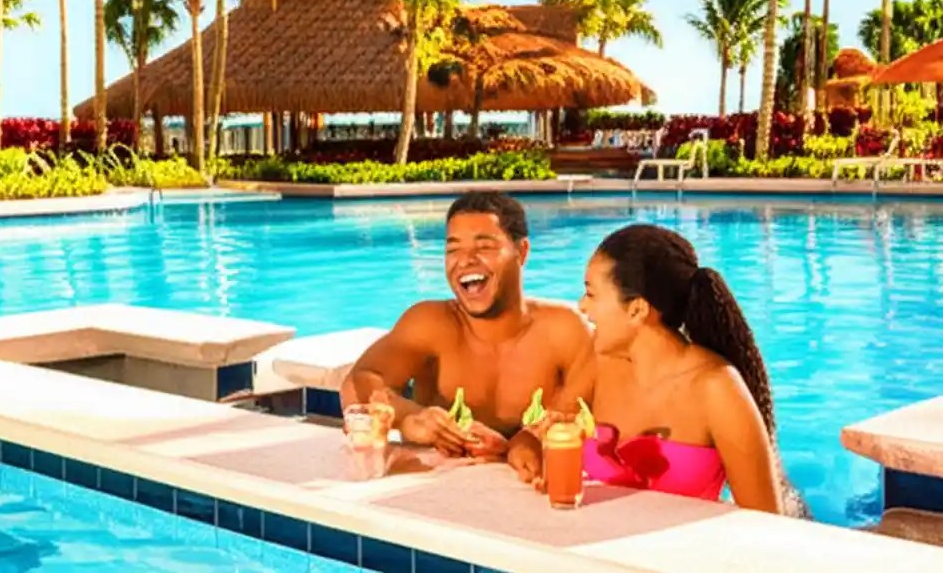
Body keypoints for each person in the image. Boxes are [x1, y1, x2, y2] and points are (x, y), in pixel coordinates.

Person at [508, 223, 806, 516]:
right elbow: (533, 433)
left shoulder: (716, 387)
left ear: (637, 309)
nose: (582, 306)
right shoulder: (600, 363)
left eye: (591, 293)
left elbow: (768, 526)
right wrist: (530, 450)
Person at [339, 192, 595, 460]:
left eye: (484, 247)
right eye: (453, 250)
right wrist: (409, 417)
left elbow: (590, 425)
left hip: (534, 492)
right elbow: (360, 381)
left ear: (521, 252)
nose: (465, 260)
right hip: (433, 489)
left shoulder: (563, 331)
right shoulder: (431, 324)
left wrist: (511, 449)